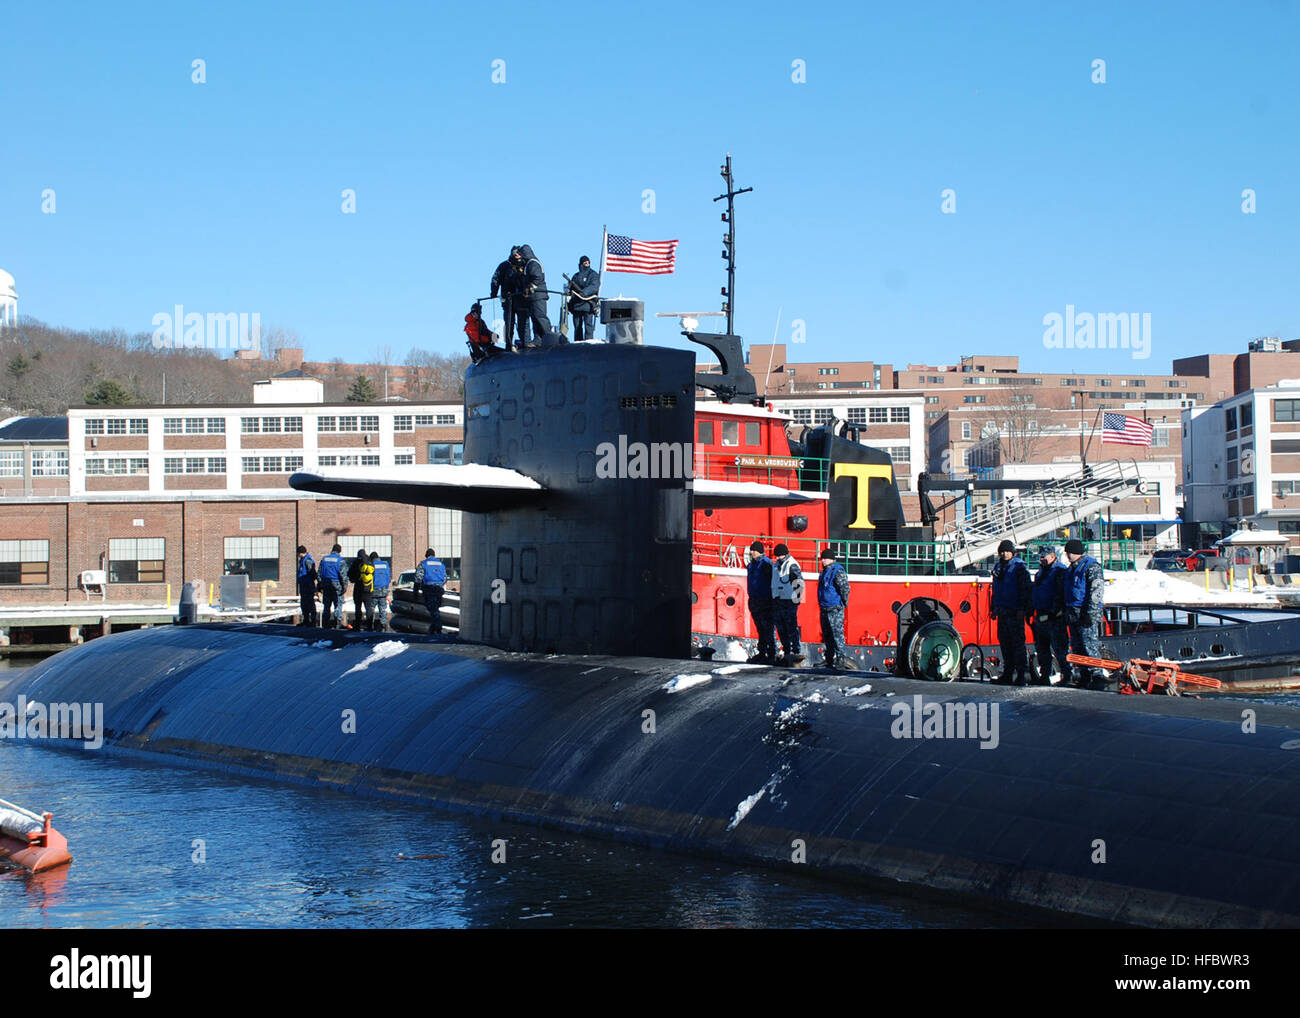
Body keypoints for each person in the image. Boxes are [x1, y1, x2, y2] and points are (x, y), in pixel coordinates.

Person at [1064, 538, 1106, 689]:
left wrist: (1090, 612)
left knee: (1089, 644)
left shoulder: (1091, 567)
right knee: (1077, 646)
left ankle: (1097, 675)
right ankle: (1084, 674)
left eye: (1071, 552)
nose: (1068, 555)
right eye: (1067, 552)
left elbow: (1096, 591)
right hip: (1073, 612)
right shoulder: (1071, 568)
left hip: (1085, 611)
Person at [989, 539, 1032, 685]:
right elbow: (995, 589)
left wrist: (1022, 609)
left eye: (1007, 551)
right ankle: (1008, 672)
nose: (1004, 553)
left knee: (1017, 643)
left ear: (1012, 552)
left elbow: (1025, 590)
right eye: (1002, 551)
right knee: (1005, 643)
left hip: (1015, 611)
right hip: (1002, 610)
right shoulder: (998, 567)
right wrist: (993, 607)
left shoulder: (1019, 568)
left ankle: (1022, 674)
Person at [1030, 545, 1071, 686]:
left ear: (1053, 556)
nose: (1041, 558)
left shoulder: (1059, 572)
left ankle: (1067, 675)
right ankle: (1045, 675)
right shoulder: (1040, 573)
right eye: (1040, 556)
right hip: (1041, 616)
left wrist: (1055, 611)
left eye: (1044, 556)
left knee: (1060, 649)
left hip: (1054, 617)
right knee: (1042, 649)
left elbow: (1060, 594)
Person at [817, 548, 854, 671]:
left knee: (837, 634)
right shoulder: (824, 572)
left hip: (835, 608)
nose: (823, 561)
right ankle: (829, 658)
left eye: (825, 558)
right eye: (822, 558)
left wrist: (843, 602)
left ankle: (841, 658)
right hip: (825, 607)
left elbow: (845, 588)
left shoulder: (837, 571)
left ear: (831, 559)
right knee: (827, 635)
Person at [770, 543, 805, 666]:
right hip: (778, 600)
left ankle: (795, 651)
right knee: (781, 627)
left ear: (784, 554)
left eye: (779, 556)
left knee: (791, 627)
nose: (777, 558)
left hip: (789, 601)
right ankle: (786, 650)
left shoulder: (792, 565)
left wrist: (796, 600)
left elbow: (799, 582)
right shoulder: (776, 566)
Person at [514, 244, 555, 346]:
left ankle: (549, 336)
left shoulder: (533, 263)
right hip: (533, 297)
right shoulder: (529, 264)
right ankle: (538, 339)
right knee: (535, 318)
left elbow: (537, 277)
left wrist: (529, 287)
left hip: (538, 295)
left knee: (540, 316)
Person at [745, 541, 776, 664]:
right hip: (754, 599)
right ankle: (762, 652)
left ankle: (771, 653)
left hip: (765, 600)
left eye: (753, 550)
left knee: (768, 627)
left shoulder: (766, 564)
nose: (751, 552)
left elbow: (772, 582)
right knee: (760, 628)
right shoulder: (751, 565)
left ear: (758, 551)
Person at [567, 255, 600, 342]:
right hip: (576, 305)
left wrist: (584, 292)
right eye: (585, 263)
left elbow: (594, 286)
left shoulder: (593, 275)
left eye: (588, 263)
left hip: (588, 304)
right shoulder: (576, 276)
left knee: (588, 325)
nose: (587, 264)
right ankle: (578, 343)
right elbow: (570, 289)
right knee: (577, 326)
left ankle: (589, 342)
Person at [490, 249, 519, 348]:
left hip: (521, 299)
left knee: (522, 321)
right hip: (507, 298)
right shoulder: (504, 265)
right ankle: (509, 343)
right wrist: (494, 292)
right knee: (509, 322)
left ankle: (524, 342)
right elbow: (496, 279)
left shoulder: (523, 264)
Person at [415, 547, 446, 635]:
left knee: (432, 609)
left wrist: (416, 592)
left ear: (426, 555)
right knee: (435, 608)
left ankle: (438, 628)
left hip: (429, 588)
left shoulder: (423, 564)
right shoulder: (441, 564)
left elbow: (418, 578)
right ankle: (433, 628)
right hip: (439, 589)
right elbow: (444, 577)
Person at [318, 543, 347, 629]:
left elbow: (319, 573)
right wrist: (344, 587)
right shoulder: (340, 560)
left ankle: (325, 623)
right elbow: (343, 576)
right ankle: (337, 622)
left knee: (326, 605)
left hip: (326, 584)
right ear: (339, 551)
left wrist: (320, 585)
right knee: (338, 604)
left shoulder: (324, 559)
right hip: (336, 584)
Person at [368, 551, 391, 632]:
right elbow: (388, 577)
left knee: (371, 609)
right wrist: (386, 587)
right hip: (383, 590)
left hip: (373, 591)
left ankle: (370, 625)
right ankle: (383, 625)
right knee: (382, 609)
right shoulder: (385, 564)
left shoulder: (371, 565)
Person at [296, 545, 318, 626]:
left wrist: (314, 582)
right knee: (304, 603)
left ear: (300, 553)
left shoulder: (307, 560)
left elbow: (312, 572)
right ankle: (306, 620)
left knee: (310, 602)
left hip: (308, 585)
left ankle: (312, 621)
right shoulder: (303, 560)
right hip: (303, 584)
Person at [348, 548, 368, 629]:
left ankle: (357, 625)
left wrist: (353, 579)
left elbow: (349, 573)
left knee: (358, 606)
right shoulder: (369, 561)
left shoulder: (356, 562)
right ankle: (370, 625)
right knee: (369, 607)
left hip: (358, 587)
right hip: (368, 587)